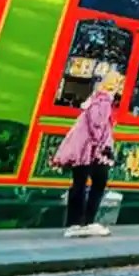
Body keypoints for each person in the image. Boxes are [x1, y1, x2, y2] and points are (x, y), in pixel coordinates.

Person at [51, 70, 120, 238]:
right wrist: (104, 147)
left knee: (80, 183)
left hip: (83, 149)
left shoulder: (96, 98)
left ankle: (75, 223)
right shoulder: (104, 101)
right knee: (97, 183)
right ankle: (85, 222)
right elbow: (98, 126)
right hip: (92, 151)